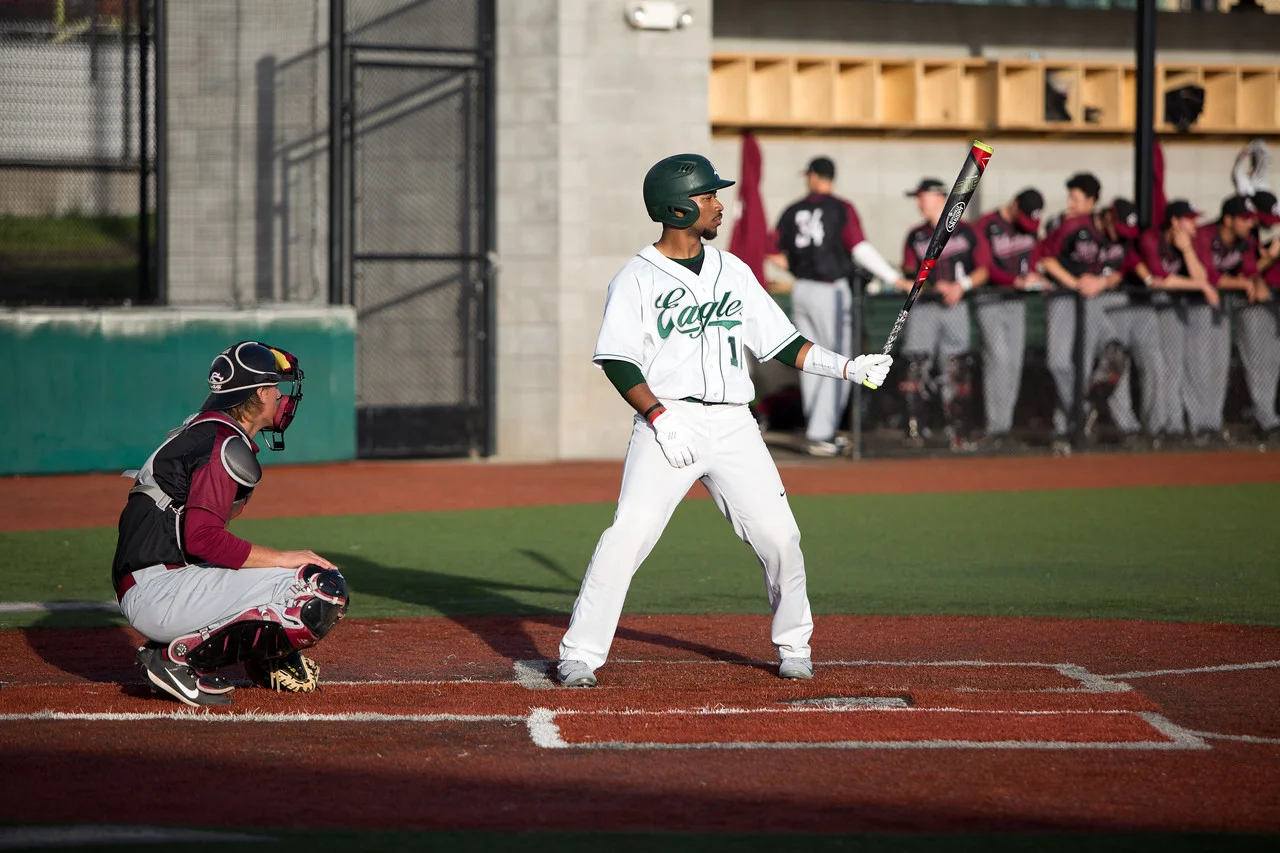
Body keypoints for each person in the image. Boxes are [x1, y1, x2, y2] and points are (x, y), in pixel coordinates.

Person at [556, 153, 893, 688]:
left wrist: (848, 368)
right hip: (669, 422)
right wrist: (659, 418)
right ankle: (579, 654)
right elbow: (618, 360)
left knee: (780, 537)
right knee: (628, 535)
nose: (719, 204)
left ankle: (794, 646)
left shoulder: (733, 269)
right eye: (708, 195)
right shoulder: (636, 278)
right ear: (677, 207)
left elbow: (784, 344)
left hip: (736, 425)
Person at [112, 341, 349, 707]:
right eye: (274, 387)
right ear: (259, 393)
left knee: (291, 578)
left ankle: (265, 656)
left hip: (159, 582)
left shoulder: (210, 432)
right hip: (159, 590)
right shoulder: (221, 443)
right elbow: (203, 540)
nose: (280, 397)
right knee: (320, 589)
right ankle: (175, 659)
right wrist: (281, 557)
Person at [767, 156, 907, 456]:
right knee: (838, 361)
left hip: (802, 289)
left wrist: (798, 269)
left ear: (815, 176)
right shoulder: (841, 207)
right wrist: (894, 278)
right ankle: (821, 434)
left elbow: (771, 250)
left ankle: (818, 431)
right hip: (831, 291)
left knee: (810, 360)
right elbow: (859, 248)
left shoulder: (793, 209)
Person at [1036, 175, 1133, 453]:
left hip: (1094, 301)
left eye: (1076, 198)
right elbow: (1045, 258)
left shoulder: (1117, 236)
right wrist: (1076, 283)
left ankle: (1104, 422)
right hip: (1064, 298)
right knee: (1059, 363)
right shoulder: (1072, 225)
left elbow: (1120, 270)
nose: (1071, 204)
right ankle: (1079, 413)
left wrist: (1102, 282)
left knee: (1113, 353)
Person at [899, 177, 991, 451]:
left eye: (923, 196)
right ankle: (916, 430)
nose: (919, 203)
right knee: (916, 367)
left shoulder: (967, 231)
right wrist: (929, 286)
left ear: (939, 197)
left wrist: (961, 286)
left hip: (955, 306)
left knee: (956, 369)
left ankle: (958, 433)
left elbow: (983, 270)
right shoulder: (916, 235)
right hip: (925, 307)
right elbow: (908, 274)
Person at [1137, 200, 1218, 444]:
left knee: (1189, 365)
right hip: (1153, 307)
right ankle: (1170, 425)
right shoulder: (1152, 238)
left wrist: (1187, 251)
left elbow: (1202, 276)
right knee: (1167, 367)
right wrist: (1202, 286)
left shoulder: (1192, 241)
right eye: (1189, 220)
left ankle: (1189, 424)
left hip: (1180, 306)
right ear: (1174, 222)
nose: (1194, 225)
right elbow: (1161, 279)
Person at [972, 188, 1045, 448]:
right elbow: (985, 266)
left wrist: (1034, 275)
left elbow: (1034, 255)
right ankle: (995, 427)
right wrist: (1015, 280)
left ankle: (1004, 426)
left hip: (1016, 301)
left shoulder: (1028, 228)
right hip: (990, 298)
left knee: (1013, 364)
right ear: (1014, 205)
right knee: (998, 360)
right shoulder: (986, 224)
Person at [1188, 195, 1260, 444]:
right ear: (1228, 220)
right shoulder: (1205, 235)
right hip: (1192, 304)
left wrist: (1255, 282)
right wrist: (1243, 283)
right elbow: (1209, 276)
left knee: (1219, 365)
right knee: (1198, 365)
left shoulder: (1244, 241)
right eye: (1244, 219)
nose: (1249, 224)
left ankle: (1212, 423)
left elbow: (1251, 271)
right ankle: (1197, 426)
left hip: (1219, 306)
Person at [1239, 190, 1280, 445]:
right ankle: (1264, 418)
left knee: (1272, 362)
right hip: (1251, 303)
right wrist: (1270, 257)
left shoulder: (1262, 234)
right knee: (1258, 362)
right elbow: (1246, 271)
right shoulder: (1243, 235)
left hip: (1272, 301)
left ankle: (1266, 415)